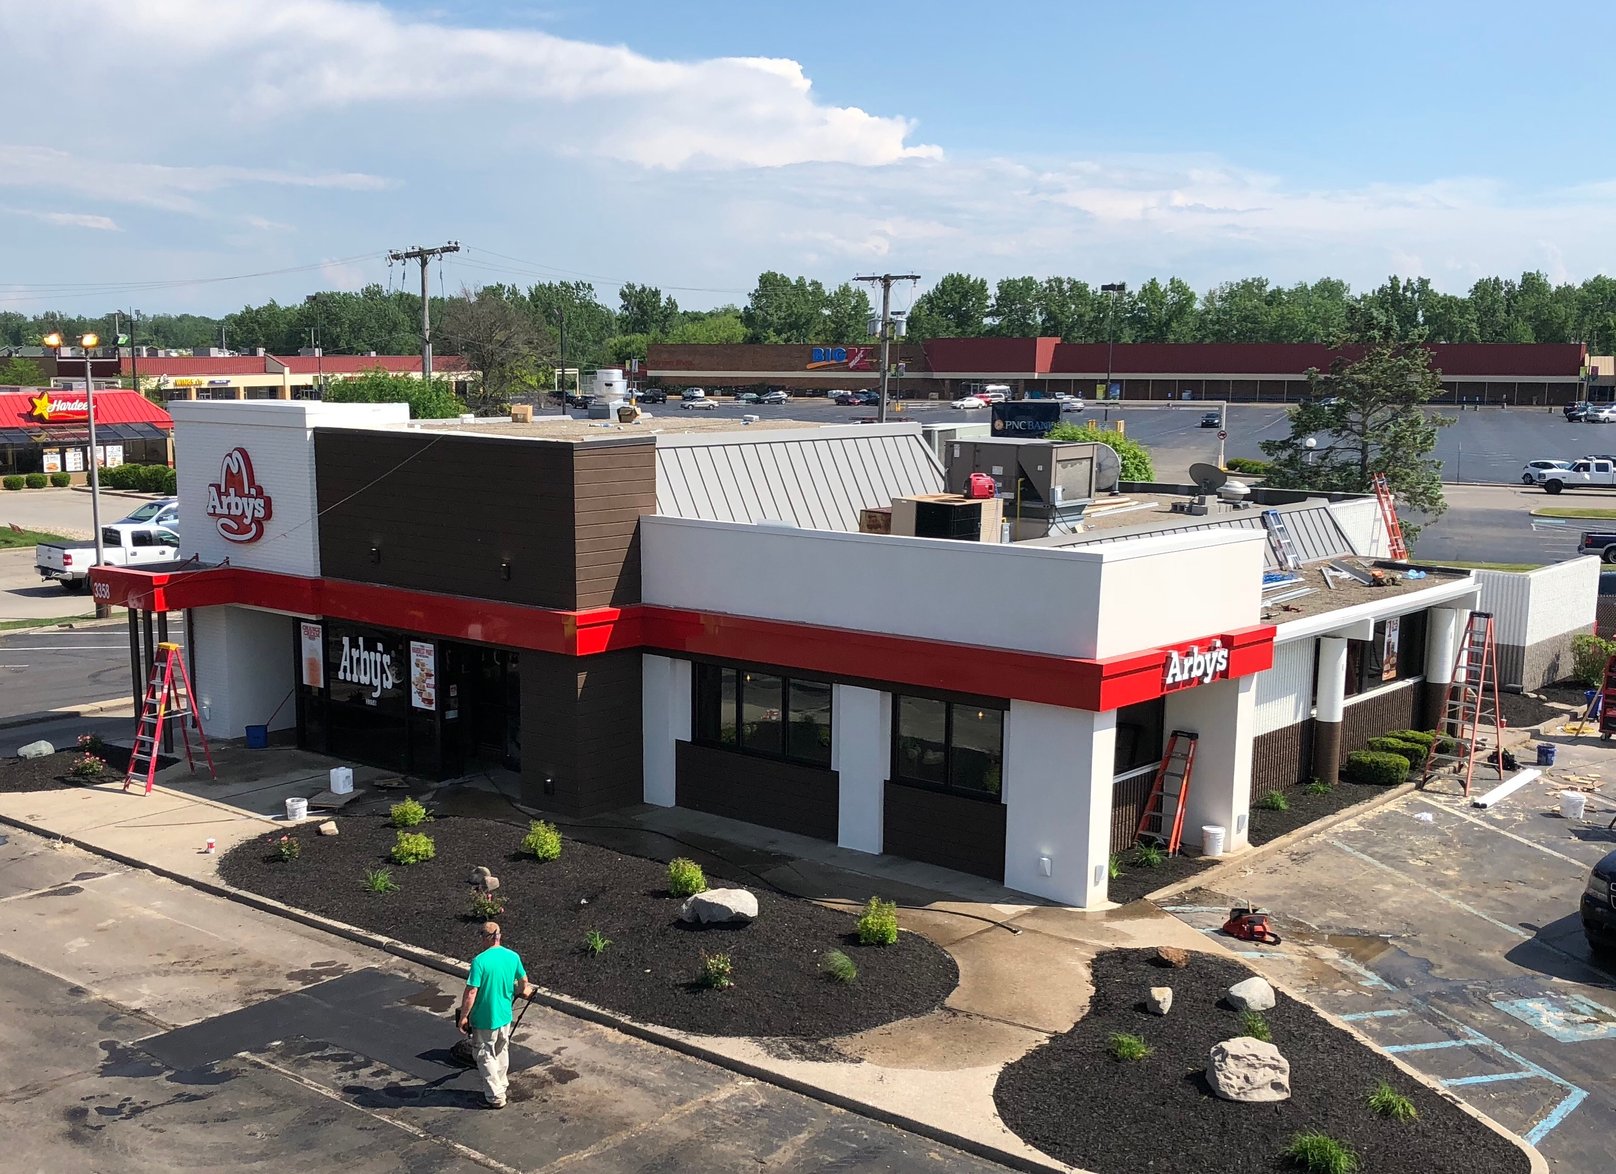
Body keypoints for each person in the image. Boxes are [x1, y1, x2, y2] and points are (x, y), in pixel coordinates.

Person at [456, 921, 533, 1109]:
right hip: (504, 1015)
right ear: (499, 936)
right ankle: (501, 1084)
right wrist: (523, 991)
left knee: (485, 1055)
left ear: (485, 938)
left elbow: (471, 992)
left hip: (485, 1018)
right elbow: (524, 981)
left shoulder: (480, 961)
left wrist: (464, 1016)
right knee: (501, 1048)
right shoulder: (512, 956)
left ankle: (495, 1097)